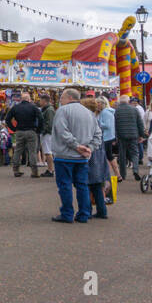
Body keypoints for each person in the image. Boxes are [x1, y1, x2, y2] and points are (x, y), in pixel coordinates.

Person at [50, 87, 97, 223]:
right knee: (82, 185)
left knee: (65, 185)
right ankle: (84, 214)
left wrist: (76, 146)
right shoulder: (89, 113)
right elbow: (98, 134)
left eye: (62, 97)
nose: (60, 100)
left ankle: (67, 213)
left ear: (70, 98)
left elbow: (62, 132)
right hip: (82, 157)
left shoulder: (62, 111)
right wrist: (89, 148)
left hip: (64, 155)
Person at [80, 95, 110, 219]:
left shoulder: (87, 120)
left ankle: (86, 211)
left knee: (86, 184)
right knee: (97, 184)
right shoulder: (95, 119)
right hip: (99, 154)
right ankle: (102, 211)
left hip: (90, 154)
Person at [7, 90, 41, 178]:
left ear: (21, 99)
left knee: (18, 150)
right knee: (32, 151)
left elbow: (8, 119)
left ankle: (16, 170)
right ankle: (34, 171)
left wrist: (14, 128)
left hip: (19, 131)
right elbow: (40, 118)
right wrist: (39, 129)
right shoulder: (34, 107)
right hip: (31, 131)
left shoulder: (15, 108)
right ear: (29, 99)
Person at [114, 94, 147, 181]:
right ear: (128, 101)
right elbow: (140, 123)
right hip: (133, 135)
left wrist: (115, 136)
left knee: (122, 155)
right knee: (135, 153)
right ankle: (135, 170)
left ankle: (123, 174)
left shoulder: (117, 111)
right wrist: (141, 135)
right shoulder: (134, 110)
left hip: (121, 136)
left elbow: (115, 124)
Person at [38, 92, 56, 176]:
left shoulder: (49, 110)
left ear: (44, 101)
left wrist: (43, 131)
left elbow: (50, 123)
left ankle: (51, 170)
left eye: (40, 100)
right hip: (46, 133)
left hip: (47, 134)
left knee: (48, 152)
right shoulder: (47, 109)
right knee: (47, 152)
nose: (39, 102)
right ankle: (50, 169)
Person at [97, 96, 117, 165]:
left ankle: (111, 173)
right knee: (108, 156)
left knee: (108, 156)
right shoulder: (104, 112)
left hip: (107, 137)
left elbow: (107, 125)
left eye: (98, 103)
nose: (97, 105)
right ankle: (115, 174)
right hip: (108, 136)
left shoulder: (105, 112)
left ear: (103, 103)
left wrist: (97, 122)